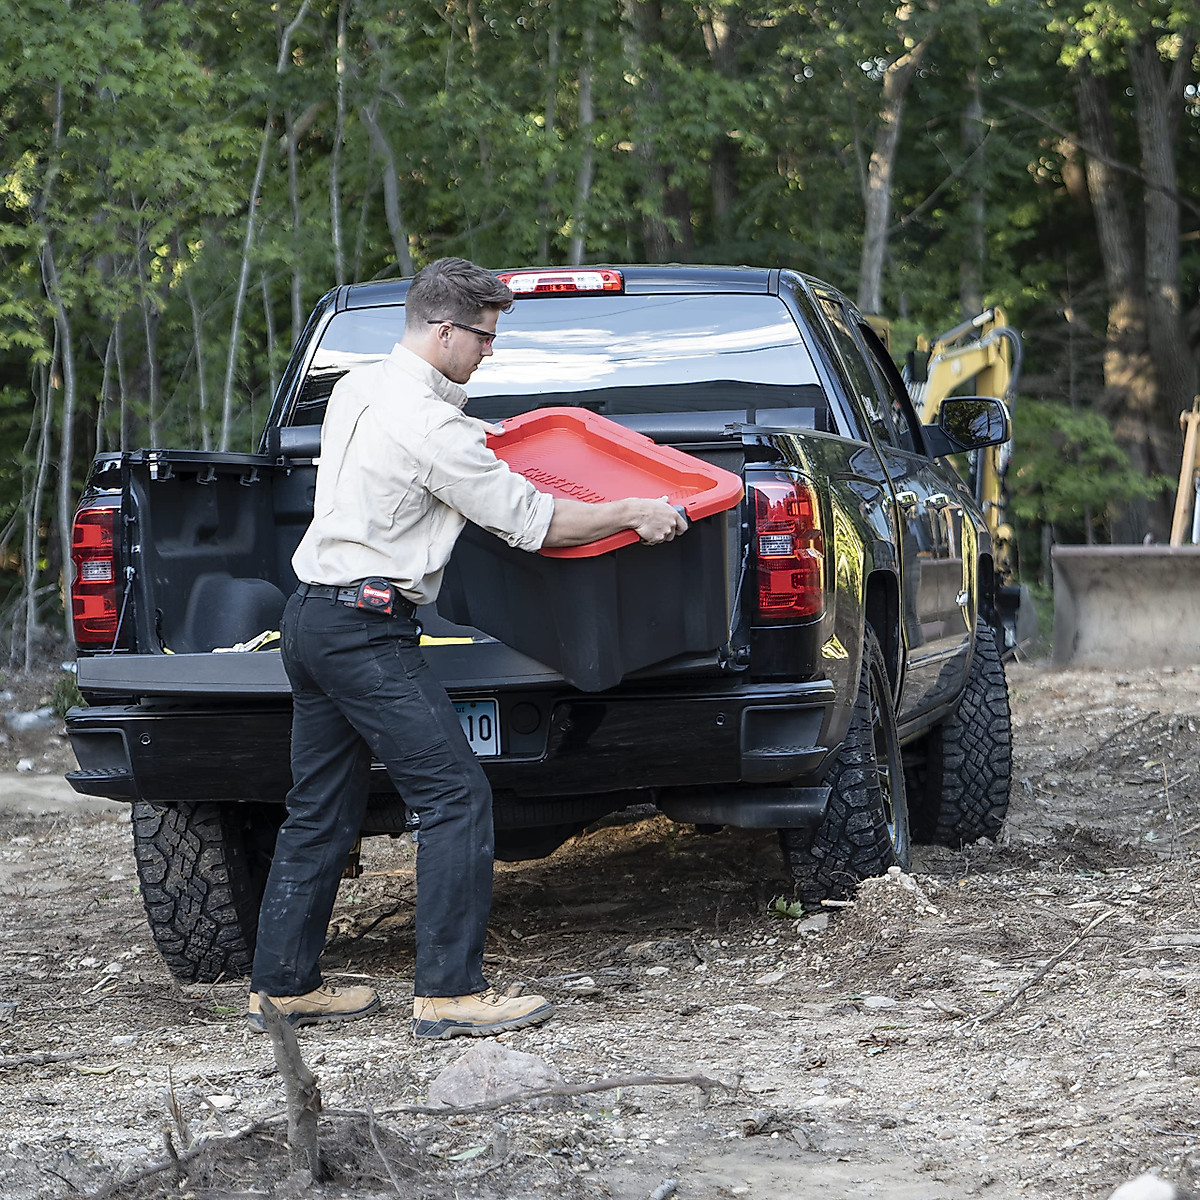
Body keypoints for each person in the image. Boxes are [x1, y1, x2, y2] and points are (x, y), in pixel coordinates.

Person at [248, 257, 686, 1038]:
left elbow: (454, 441)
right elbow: (538, 524)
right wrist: (631, 511)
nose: (489, 352)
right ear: (443, 329)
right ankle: (448, 993)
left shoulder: (362, 386)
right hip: (364, 628)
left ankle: (283, 986)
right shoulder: (432, 429)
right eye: (483, 337)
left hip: (311, 618)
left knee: (318, 806)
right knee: (454, 795)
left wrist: (513, 439)